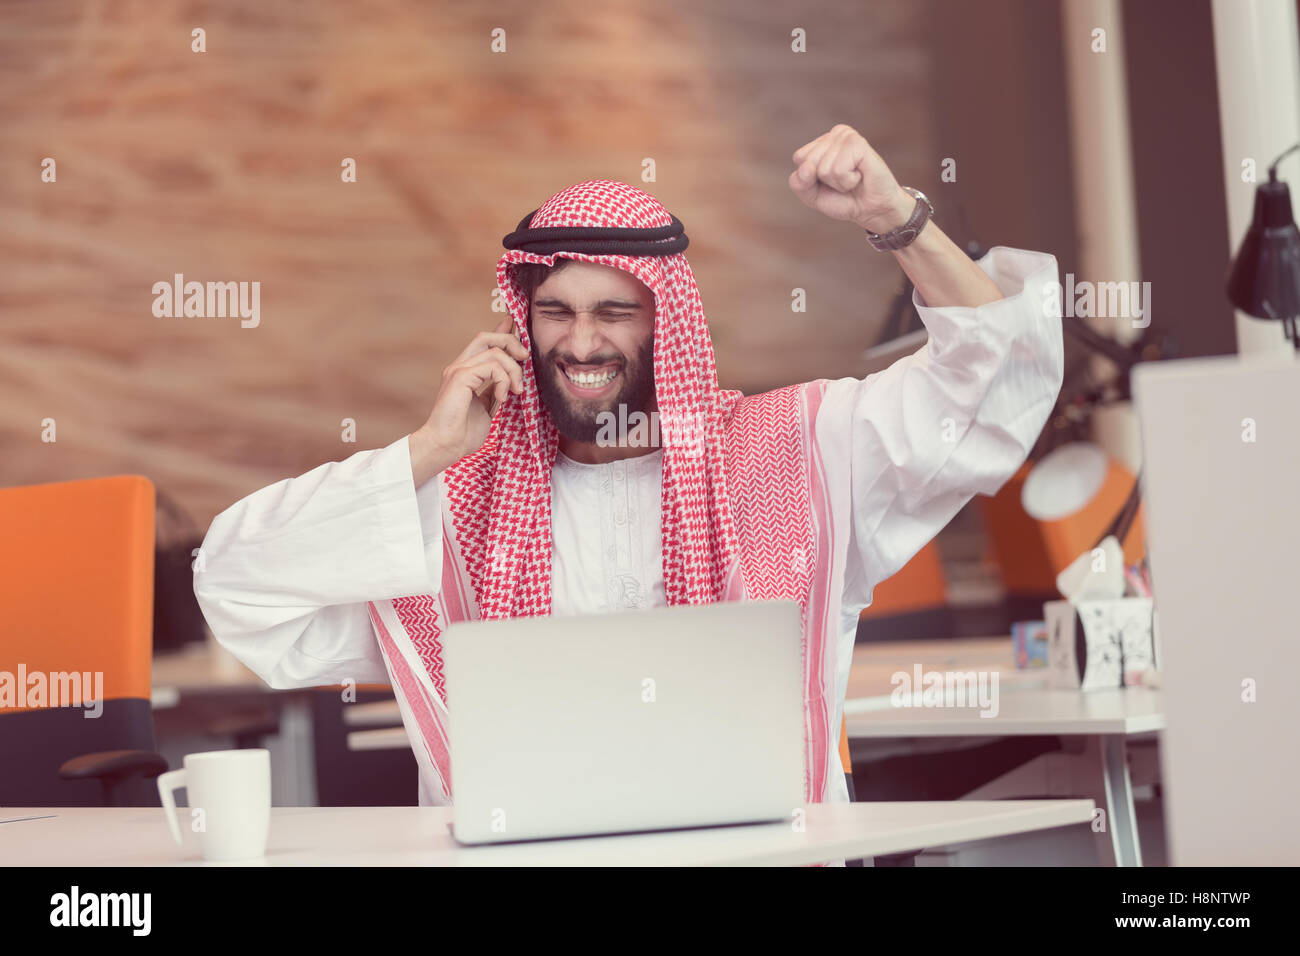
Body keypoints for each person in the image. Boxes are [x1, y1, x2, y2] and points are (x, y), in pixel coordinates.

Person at [194, 124, 1064, 809]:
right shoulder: (457, 511)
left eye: (615, 311)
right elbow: (236, 586)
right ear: (517, 323)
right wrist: (428, 452)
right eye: (554, 314)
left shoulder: (796, 452)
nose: (580, 343)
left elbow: (993, 390)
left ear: (669, 324)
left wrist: (896, 218)